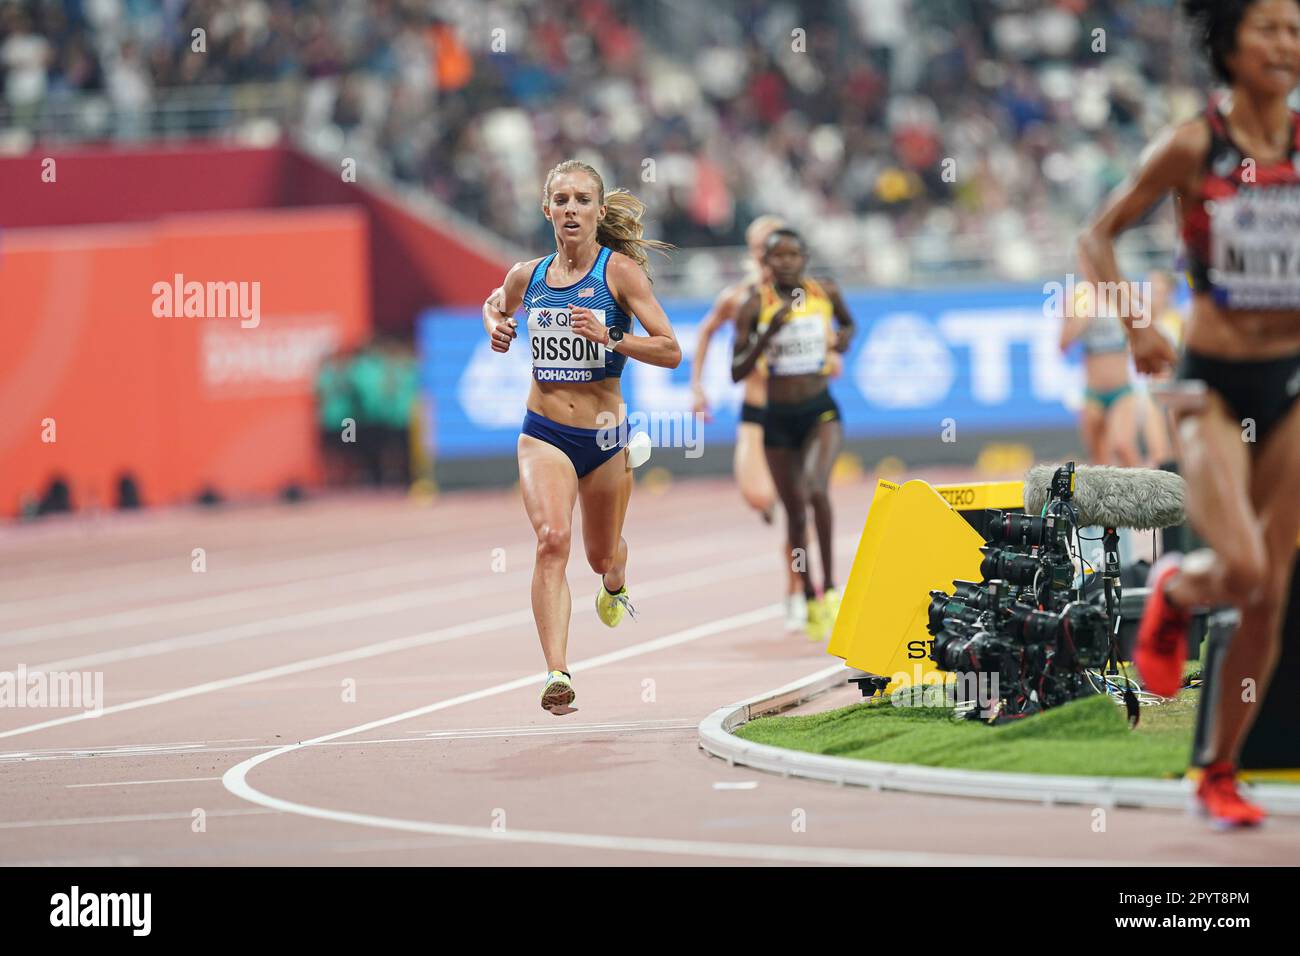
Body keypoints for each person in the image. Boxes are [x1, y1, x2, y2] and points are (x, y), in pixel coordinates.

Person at [1079, 0, 1300, 828]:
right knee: (1240, 568)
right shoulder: (1192, 145)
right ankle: (1177, 586)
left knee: (1271, 594)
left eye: (1296, 29)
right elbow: (1096, 238)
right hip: (1210, 383)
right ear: (1229, 43)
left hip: (1291, 384)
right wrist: (1138, 323)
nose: (1287, 44)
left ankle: (1217, 770)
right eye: (1269, 28)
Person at [482, 159, 681, 714]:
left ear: (598, 211)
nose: (571, 209)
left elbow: (670, 350)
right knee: (551, 540)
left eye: (582, 200)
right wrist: (494, 325)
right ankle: (556, 674)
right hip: (543, 431)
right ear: (547, 210)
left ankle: (616, 577)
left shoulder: (619, 275)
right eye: (561, 200)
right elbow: (495, 303)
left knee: (598, 556)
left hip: (603, 437)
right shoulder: (528, 275)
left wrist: (611, 335)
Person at [690, 215, 840, 632]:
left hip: (799, 410)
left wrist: (832, 355)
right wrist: (697, 387)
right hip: (758, 414)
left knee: (799, 504)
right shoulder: (739, 298)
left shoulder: (805, 295)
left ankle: (799, 590)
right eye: (761, 246)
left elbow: (826, 334)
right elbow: (705, 333)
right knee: (758, 496)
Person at [731, 228, 856, 641]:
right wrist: (768, 333)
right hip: (777, 419)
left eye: (793, 255)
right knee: (794, 513)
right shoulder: (755, 304)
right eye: (777, 257)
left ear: (805, 258)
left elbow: (850, 326)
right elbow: (736, 370)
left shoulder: (826, 292)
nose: (786, 262)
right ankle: (806, 593)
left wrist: (841, 340)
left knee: (816, 490)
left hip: (820, 411)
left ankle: (832, 587)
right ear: (766, 264)